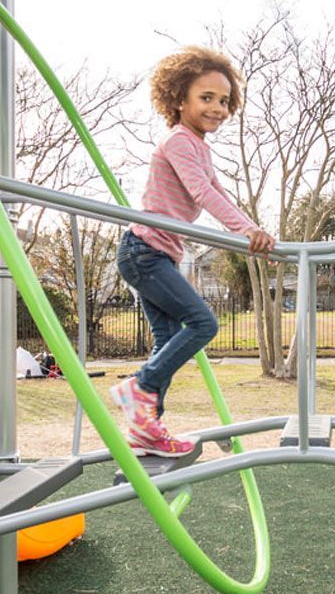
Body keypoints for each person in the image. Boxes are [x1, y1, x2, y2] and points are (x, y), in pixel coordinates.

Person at [110, 47, 276, 457]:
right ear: (179, 99)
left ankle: (147, 430)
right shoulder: (179, 141)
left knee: (166, 337)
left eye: (224, 101)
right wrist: (246, 229)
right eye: (206, 98)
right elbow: (201, 192)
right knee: (203, 323)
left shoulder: (199, 146)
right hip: (143, 251)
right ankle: (141, 387)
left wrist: (252, 230)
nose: (217, 108)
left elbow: (216, 190)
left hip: (156, 254)